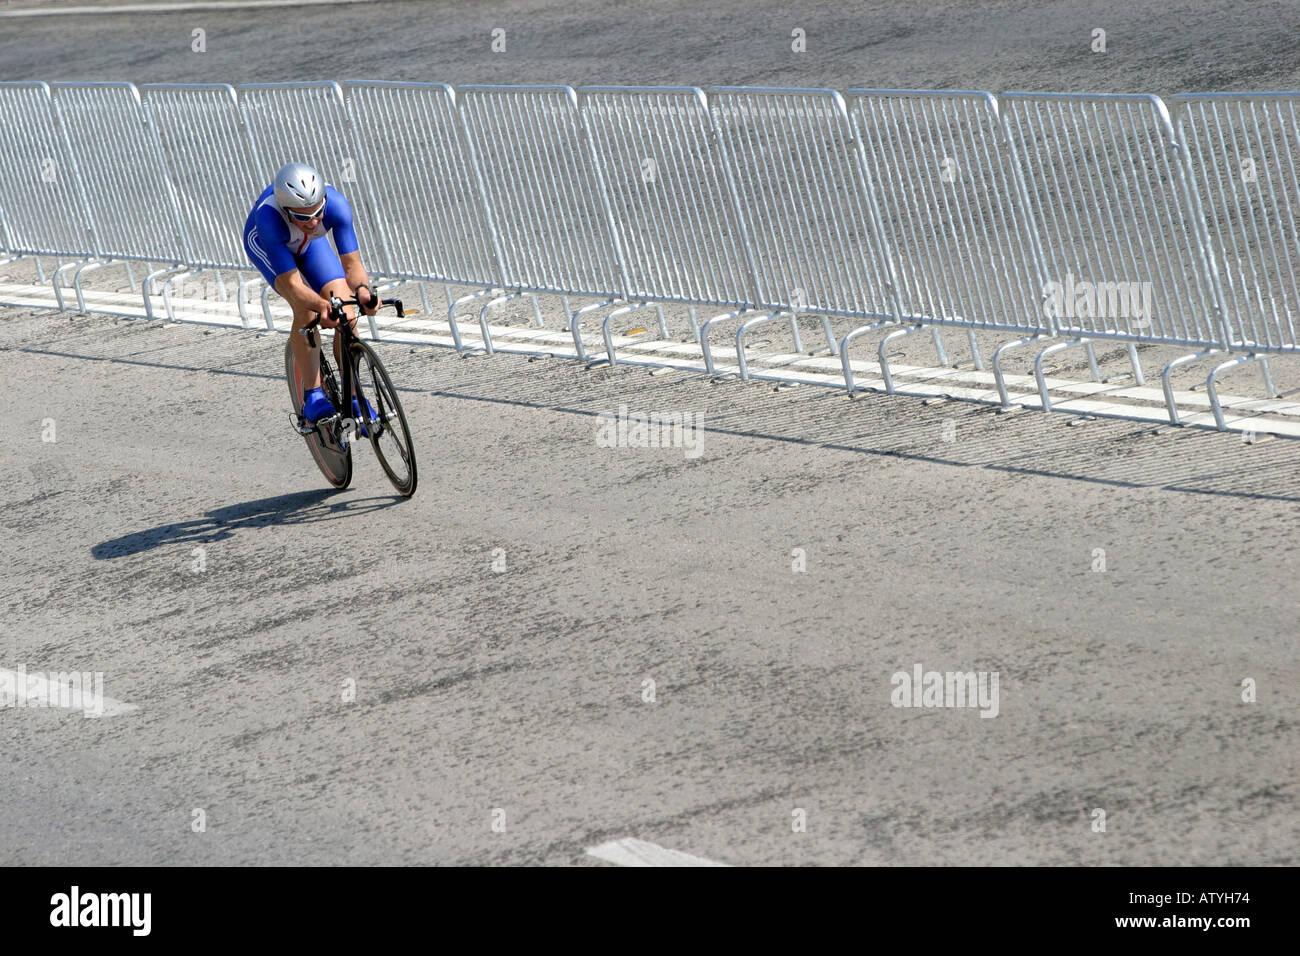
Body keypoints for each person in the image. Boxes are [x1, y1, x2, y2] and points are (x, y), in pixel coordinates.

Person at [243, 162, 378, 424]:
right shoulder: (269, 219)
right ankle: (313, 396)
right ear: (286, 209)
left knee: (346, 313)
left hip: (310, 246)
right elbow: (293, 286)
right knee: (305, 309)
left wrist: (362, 290)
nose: (314, 221)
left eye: (318, 213)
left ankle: (353, 398)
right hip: (269, 246)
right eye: (304, 217)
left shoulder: (336, 205)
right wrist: (321, 307)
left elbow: (352, 265)